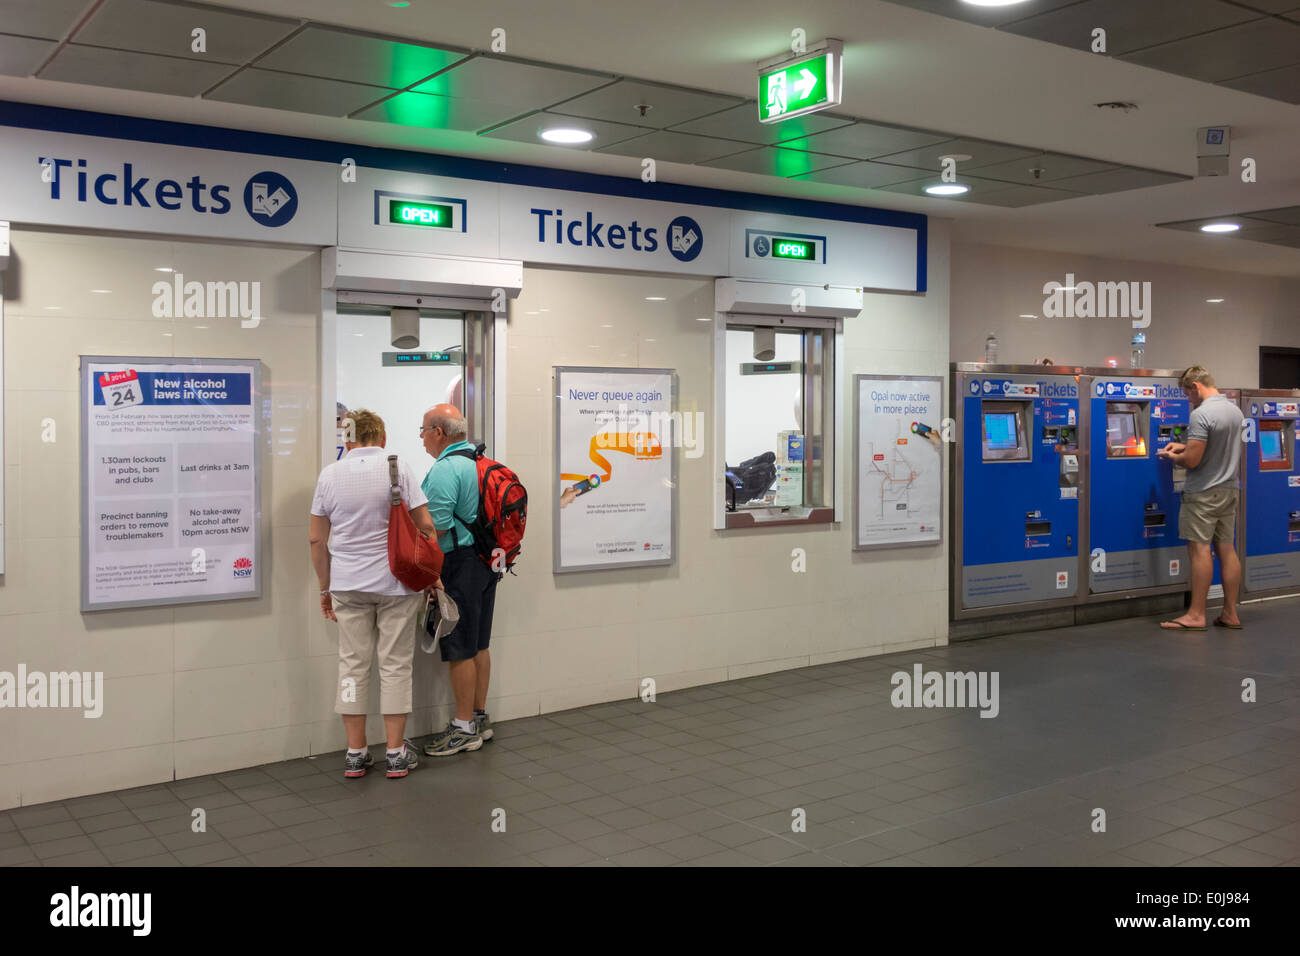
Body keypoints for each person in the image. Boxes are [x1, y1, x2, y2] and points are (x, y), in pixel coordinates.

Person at [309, 408, 436, 778]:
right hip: (396, 583)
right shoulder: (398, 468)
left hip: (347, 584)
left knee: (352, 666)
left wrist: (325, 588)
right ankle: (395, 753)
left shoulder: (329, 476)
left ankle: (355, 752)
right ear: (382, 437)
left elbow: (316, 539)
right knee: (395, 665)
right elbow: (426, 526)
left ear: (347, 440)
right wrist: (431, 574)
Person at [419, 403, 499, 756]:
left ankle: (463, 729)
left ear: (439, 433)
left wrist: (427, 571)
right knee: (479, 643)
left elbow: (434, 529)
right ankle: (478, 716)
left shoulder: (445, 469)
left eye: (423, 431)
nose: (422, 438)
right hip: (486, 561)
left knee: (460, 647)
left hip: (459, 564)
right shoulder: (479, 462)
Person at [1157, 366, 1245, 632]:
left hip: (1204, 492)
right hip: (1229, 489)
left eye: (1188, 394)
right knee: (1226, 550)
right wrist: (1185, 445)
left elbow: (1193, 461)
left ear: (1195, 387)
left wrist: (1173, 456)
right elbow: (1215, 447)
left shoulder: (1201, 414)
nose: (1188, 399)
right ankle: (1230, 613)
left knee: (1200, 550)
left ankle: (1196, 614)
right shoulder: (1234, 411)